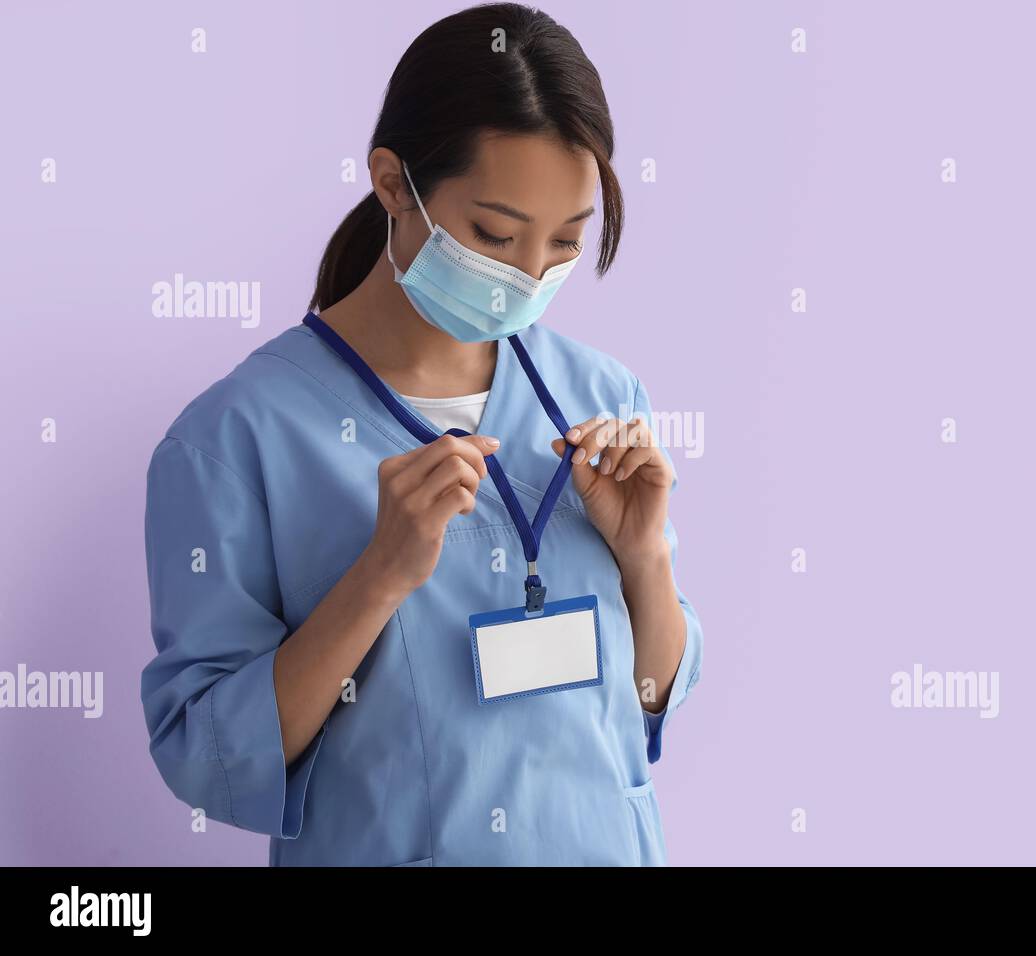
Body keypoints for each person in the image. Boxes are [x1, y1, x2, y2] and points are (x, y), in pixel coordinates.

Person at [139, 2, 703, 867]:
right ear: (394, 183)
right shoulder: (235, 439)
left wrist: (646, 559)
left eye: (563, 242)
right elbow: (208, 755)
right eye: (495, 234)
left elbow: (650, 699)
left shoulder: (599, 395)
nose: (528, 275)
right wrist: (377, 578)